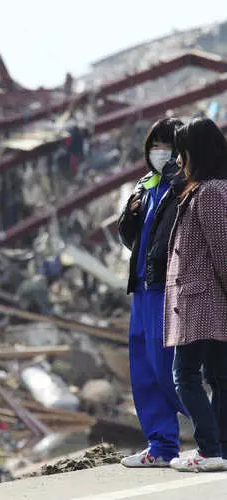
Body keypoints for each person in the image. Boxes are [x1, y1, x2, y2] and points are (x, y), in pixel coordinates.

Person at [118, 117, 187, 467]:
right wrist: (127, 218)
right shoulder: (145, 186)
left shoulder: (185, 186)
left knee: (169, 370)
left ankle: (216, 432)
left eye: (167, 145)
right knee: (144, 370)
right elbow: (132, 238)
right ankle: (161, 446)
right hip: (142, 288)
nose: (159, 152)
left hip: (168, 288)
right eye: (155, 145)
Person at [164, 118, 227, 472]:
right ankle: (219, 450)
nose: (178, 160)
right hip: (206, 300)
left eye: (182, 152)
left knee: (184, 376)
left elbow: (223, 251)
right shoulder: (204, 189)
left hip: (203, 302)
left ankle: (209, 447)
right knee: (218, 377)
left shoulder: (211, 192)